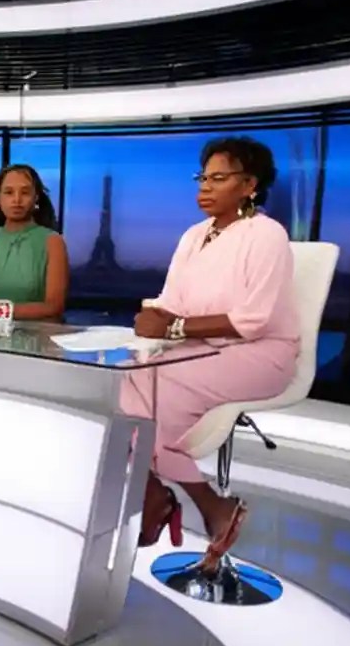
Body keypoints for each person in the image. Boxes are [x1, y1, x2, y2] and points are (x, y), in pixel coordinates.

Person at [122, 136, 299, 571]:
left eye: (219, 178)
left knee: (155, 398)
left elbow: (252, 320)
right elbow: (172, 302)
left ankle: (166, 496)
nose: (205, 186)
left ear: (249, 185)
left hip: (260, 354)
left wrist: (173, 327)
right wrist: (154, 316)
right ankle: (181, 498)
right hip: (198, 350)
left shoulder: (267, 235)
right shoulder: (193, 236)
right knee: (121, 383)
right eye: (202, 177)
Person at [0, 164, 69, 320]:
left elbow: (54, 306)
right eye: (9, 192)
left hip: (40, 333)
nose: (17, 200)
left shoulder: (53, 242)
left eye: (25, 192)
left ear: (36, 197)